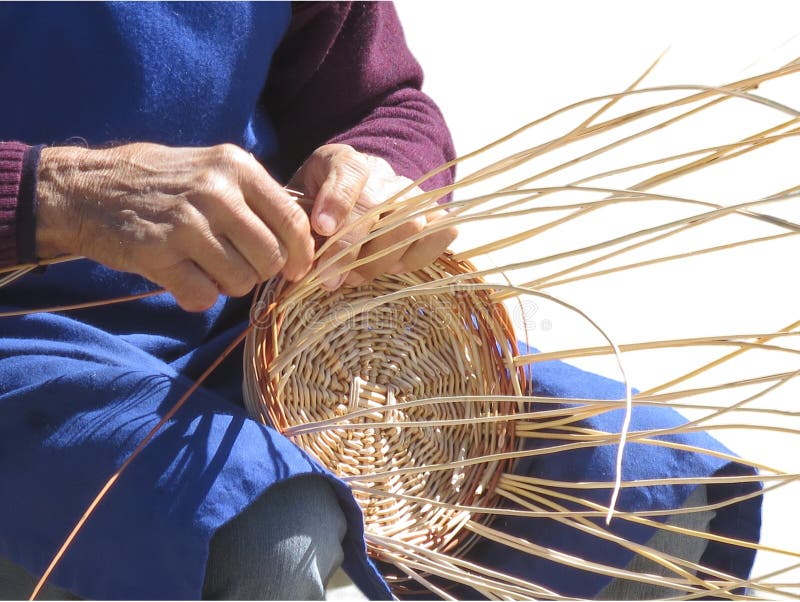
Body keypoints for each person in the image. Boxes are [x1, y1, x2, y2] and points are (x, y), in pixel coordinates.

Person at [0, 2, 760, 600]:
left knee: (640, 478)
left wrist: (376, 177)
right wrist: (54, 196)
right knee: (259, 525)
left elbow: (386, 101)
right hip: (22, 337)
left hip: (265, 332)